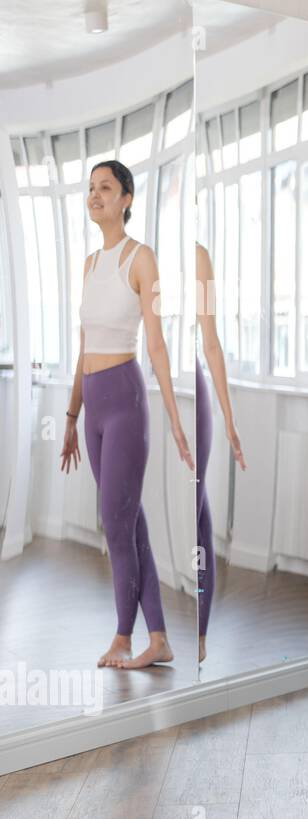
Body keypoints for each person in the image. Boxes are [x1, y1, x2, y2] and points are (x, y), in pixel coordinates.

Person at [60, 160, 194, 668]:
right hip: (92, 405)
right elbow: (83, 345)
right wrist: (71, 416)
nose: (94, 195)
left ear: (127, 199)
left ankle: (123, 637)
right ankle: (158, 639)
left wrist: (177, 423)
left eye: (105, 187)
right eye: (90, 188)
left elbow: (157, 344)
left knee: (114, 525)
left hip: (125, 402)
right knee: (128, 520)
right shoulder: (91, 264)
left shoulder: (142, 259)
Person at [194, 242, 247, 663]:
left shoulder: (198, 256)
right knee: (196, 515)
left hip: (195, 396)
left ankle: (200, 635)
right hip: (153, 394)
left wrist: (228, 415)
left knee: (196, 515)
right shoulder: (139, 252)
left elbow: (211, 343)